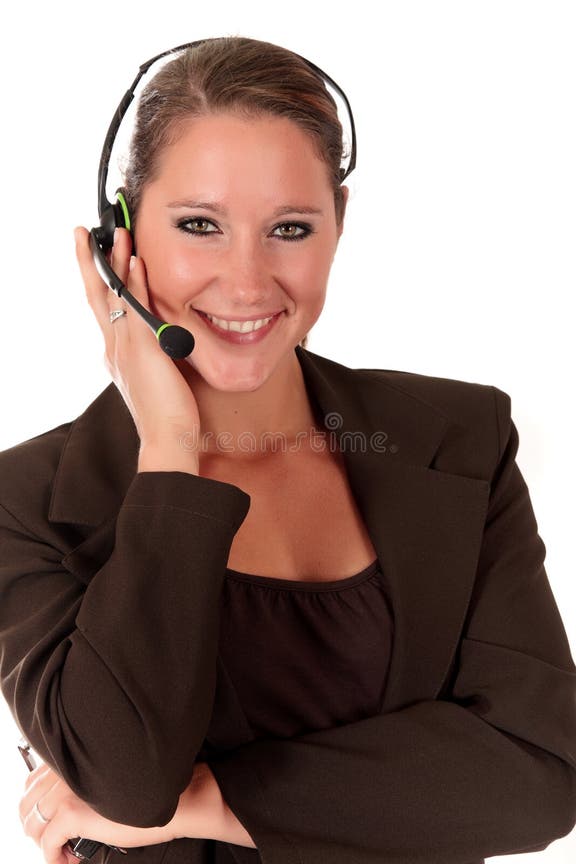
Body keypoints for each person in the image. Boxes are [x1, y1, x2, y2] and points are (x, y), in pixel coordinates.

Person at [1, 35, 575, 864]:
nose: (246, 283)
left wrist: (206, 800)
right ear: (118, 240)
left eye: (290, 228)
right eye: (199, 224)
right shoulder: (29, 500)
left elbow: (537, 775)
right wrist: (169, 447)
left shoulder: (459, 438)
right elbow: (126, 782)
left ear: (339, 224)